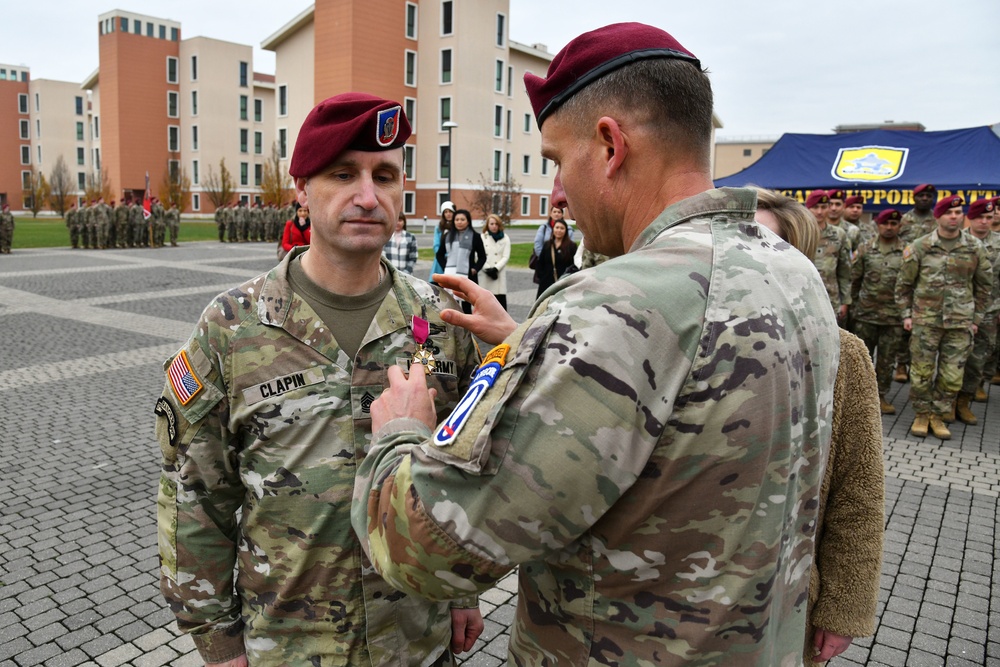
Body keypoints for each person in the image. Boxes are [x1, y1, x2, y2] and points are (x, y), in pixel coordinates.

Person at [352, 23, 839, 665]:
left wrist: (400, 435)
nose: (557, 192)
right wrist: (531, 345)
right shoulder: (790, 270)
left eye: (556, 161)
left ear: (610, 145)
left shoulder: (612, 306)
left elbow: (426, 551)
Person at [156, 92, 483, 667]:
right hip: (290, 646)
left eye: (385, 175)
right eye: (342, 174)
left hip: (415, 641)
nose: (367, 195)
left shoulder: (438, 323)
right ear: (302, 190)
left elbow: (460, 472)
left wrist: (460, 588)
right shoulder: (231, 329)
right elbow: (195, 494)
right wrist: (217, 640)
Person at [752, 187, 884, 666]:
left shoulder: (841, 352)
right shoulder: (686, 334)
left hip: (786, 599)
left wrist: (845, 609)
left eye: (762, 245)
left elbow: (859, 491)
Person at [896, 195, 992, 439]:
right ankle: (921, 415)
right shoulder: (919, 247)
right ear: (938, 216)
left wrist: (976, 319)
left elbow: (984, 287)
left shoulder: (974, 247)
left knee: (952, 376)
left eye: (958, 212)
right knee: (921, 373)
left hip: (961, 322)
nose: (954, 216)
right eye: (949, 212)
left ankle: (938, 416)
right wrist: (906, 314)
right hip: (925, 322)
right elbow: (904, 284)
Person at [850, 209, 907, 414]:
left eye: (894, 224)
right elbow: (854, 280)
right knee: (862, 358)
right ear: (878, 225)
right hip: (866, 314)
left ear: (899, 226)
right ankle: (858, 396)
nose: (889, 228)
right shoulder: (865, 249)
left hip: (893, 317)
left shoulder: (907, 252)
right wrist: (853, 305)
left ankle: (881, 395)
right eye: (885, 224)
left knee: (886, 359)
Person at [957, 198, 1000, 416]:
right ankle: (945, 403)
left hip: (989, 312)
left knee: (978, 359)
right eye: (979, 217)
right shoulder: (957, 241)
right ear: (970, 218)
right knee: (953, 360)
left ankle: (964, 401)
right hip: (957, 310)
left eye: (988, 218)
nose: (984, 222)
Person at [807, 189, 852, 323]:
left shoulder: (839, 235)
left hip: (831, 299)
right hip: (805, 298)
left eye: (823, 207)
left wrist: (845, 301)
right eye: (815, 207)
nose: (820, 212)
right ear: (808, 208)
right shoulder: (801, 232)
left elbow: (845, 270)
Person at [435, 208, 485, 314]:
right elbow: (439, 254)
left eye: (462, 219)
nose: (459, 222)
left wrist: (475, 269)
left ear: (468, 221)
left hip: (468, 275)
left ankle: (468, 329)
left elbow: (482, 257)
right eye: (457, 219)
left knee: (467, 306)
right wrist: (447, 267)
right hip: (450, 275)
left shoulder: (475, 236)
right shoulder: (448, 236)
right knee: (450, 303)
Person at [533, 217, 576, 297]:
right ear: (553, 229)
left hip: (562, 284)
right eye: (557, 227)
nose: (559, 230)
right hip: (546, 283)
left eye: (562, 228)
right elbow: (540, 263)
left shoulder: (571, 246)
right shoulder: (547, 245)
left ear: (566, 230)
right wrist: (542, 277)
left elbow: (574, 265)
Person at [478, 213, 511, 310]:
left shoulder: (505, 238)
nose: (494, 226)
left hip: (499, 274)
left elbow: (505, 256)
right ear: (487, 225)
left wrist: (496, 268)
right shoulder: (482, 237)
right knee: (485, 304)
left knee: (500, 304)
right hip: (485, 273)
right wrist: (488, 269)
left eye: (496, 224)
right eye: (491, 224)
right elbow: (479, 255)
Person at [430, 200, 455, 281]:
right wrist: (441, 255)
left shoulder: (457, 227)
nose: (448, 214)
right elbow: (436, 244)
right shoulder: (439, 227)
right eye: (446, 212)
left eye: (450, 211)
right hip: (440, 260)